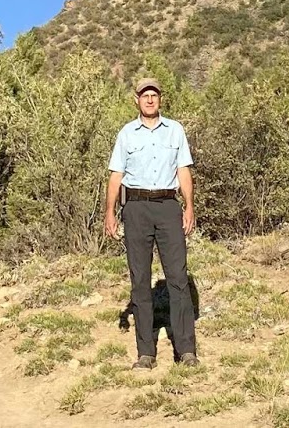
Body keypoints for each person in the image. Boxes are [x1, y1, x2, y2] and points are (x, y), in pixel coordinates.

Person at [105, 76, 198, 368]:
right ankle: (146, 353)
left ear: (160, 98)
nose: (149, 99)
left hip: (169, 206)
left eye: (154, 95)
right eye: (144, 95)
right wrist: (109, 212)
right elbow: (115, 176)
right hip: (135, 209)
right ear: (136, 99)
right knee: (140, 280)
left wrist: (189, 206)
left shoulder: (175, 131)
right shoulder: (126, 135)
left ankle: (186, 350)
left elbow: (184, 171)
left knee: (178, 279)